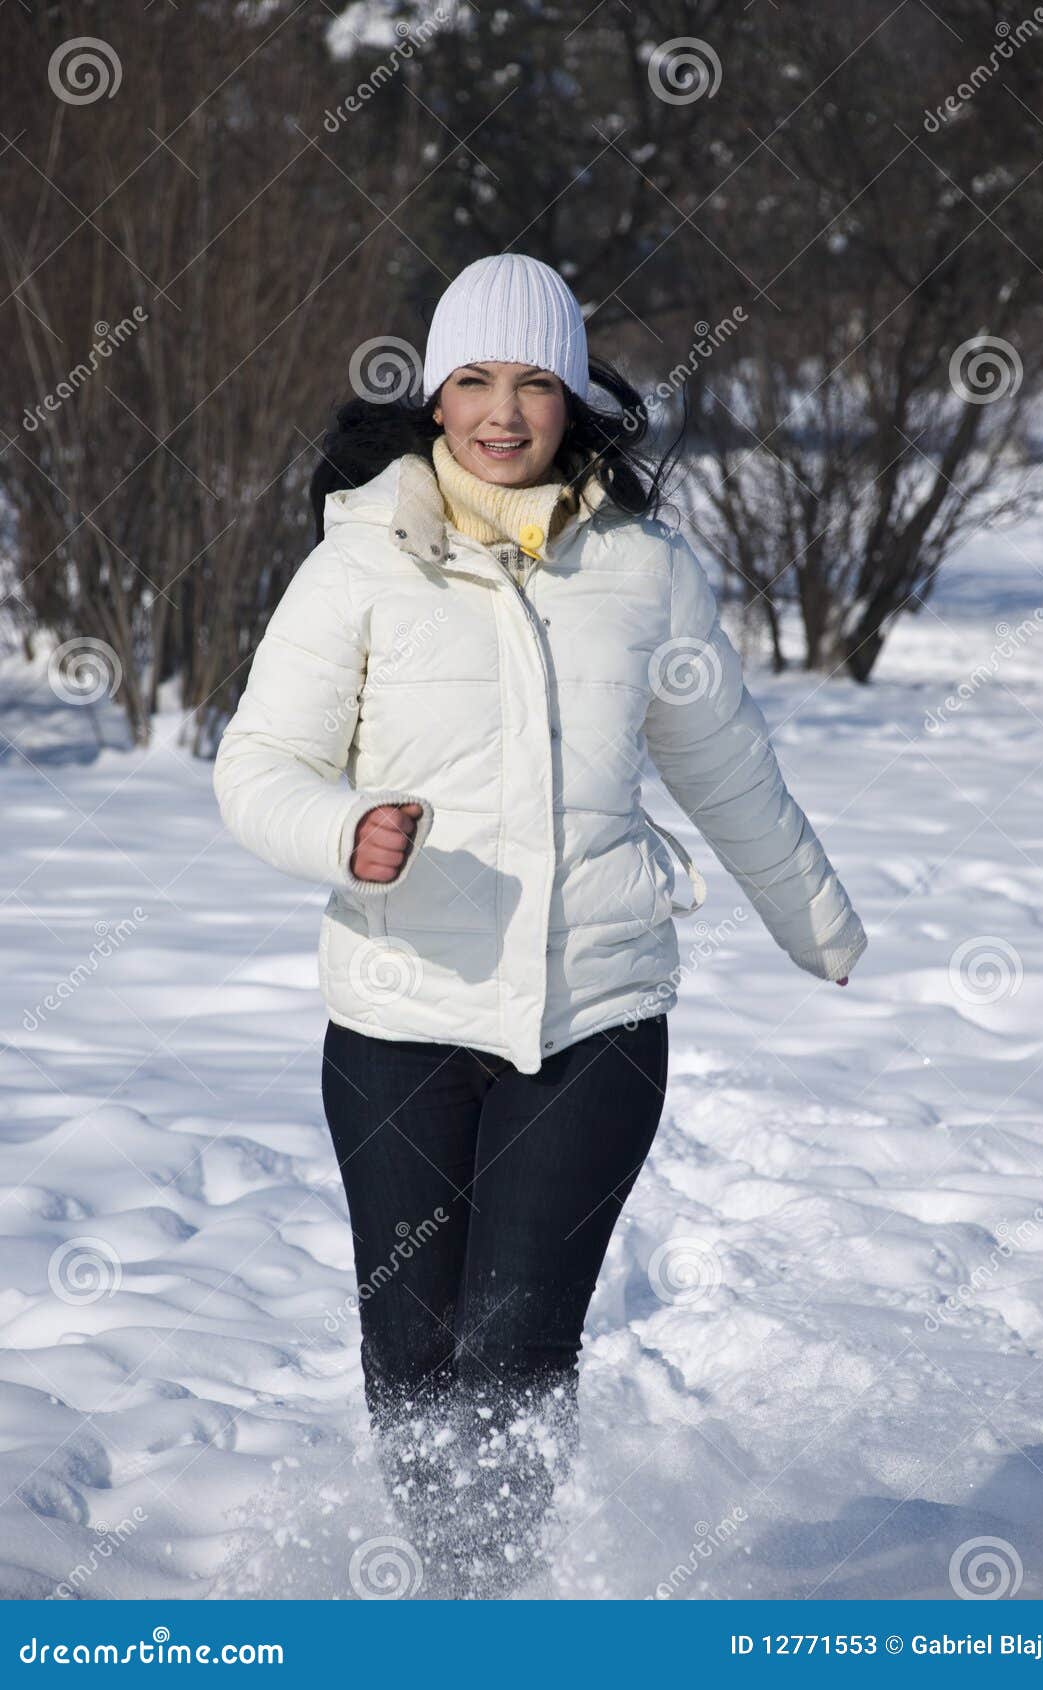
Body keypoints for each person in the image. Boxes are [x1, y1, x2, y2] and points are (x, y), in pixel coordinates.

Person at [212, 253, 867, 1599]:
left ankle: (492, 1601)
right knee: (410, 1344)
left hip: (596, 1021)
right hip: (399, 1020)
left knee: (514, 1345)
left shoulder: (644, 573)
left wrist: (819, 924)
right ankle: (451, 1582)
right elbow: (257, 766)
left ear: (573, 397)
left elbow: (727, 766)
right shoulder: (360, 564)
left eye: (532, 382)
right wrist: (346, 831)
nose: (502, 412)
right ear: (433, 397)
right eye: (473, 380)